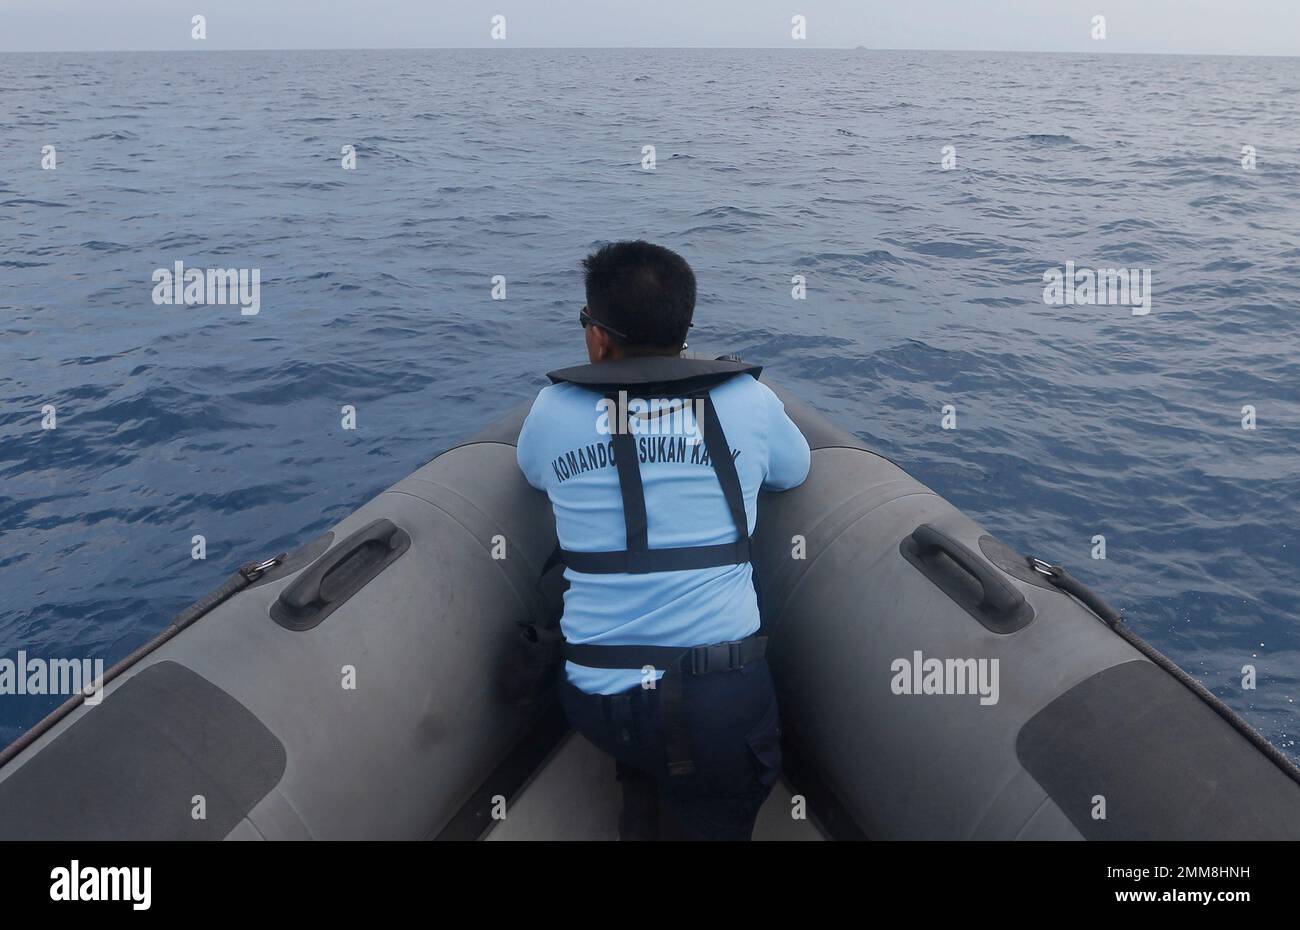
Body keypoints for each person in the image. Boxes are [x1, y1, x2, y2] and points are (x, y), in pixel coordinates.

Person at [516, 240, 811, 840]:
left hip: (596, 697)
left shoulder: (551, 412)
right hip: (718, 707)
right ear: (685, 329)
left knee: (652, 740)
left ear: (599, 338)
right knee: (711, 777)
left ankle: (644, 785)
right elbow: (795, 470)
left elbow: (532, 471)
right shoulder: (749, 403)